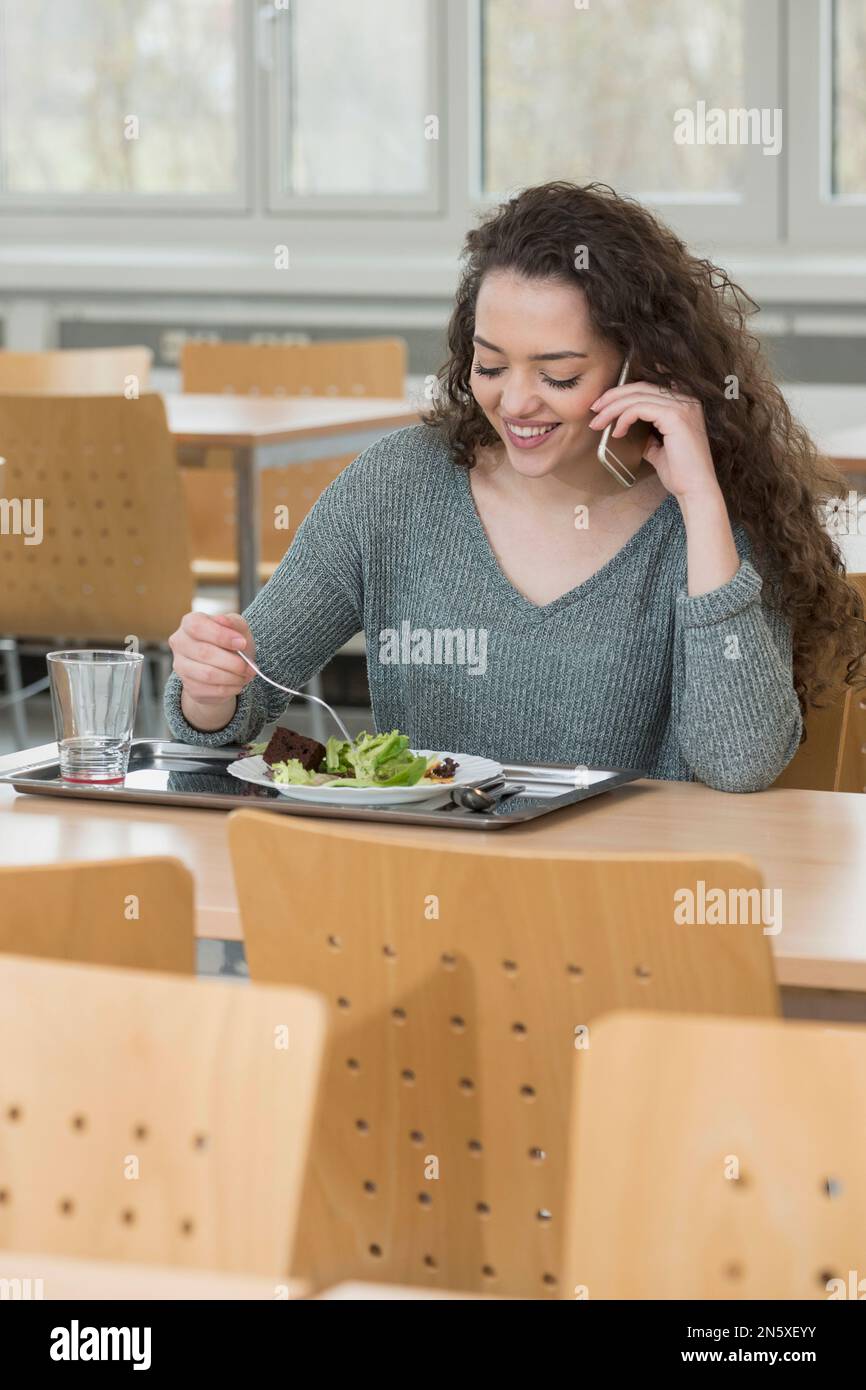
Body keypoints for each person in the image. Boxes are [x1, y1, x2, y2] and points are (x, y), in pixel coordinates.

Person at [164, 181, 865, 791]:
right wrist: (207, 689)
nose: (516, 403)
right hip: (432, 904)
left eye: (558, 375)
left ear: (640, 368)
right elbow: (227, 713)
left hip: (624, 913)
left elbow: (740, 764)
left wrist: (704, 506)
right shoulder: (396, 487)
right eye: (491, 365)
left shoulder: (704, 514)